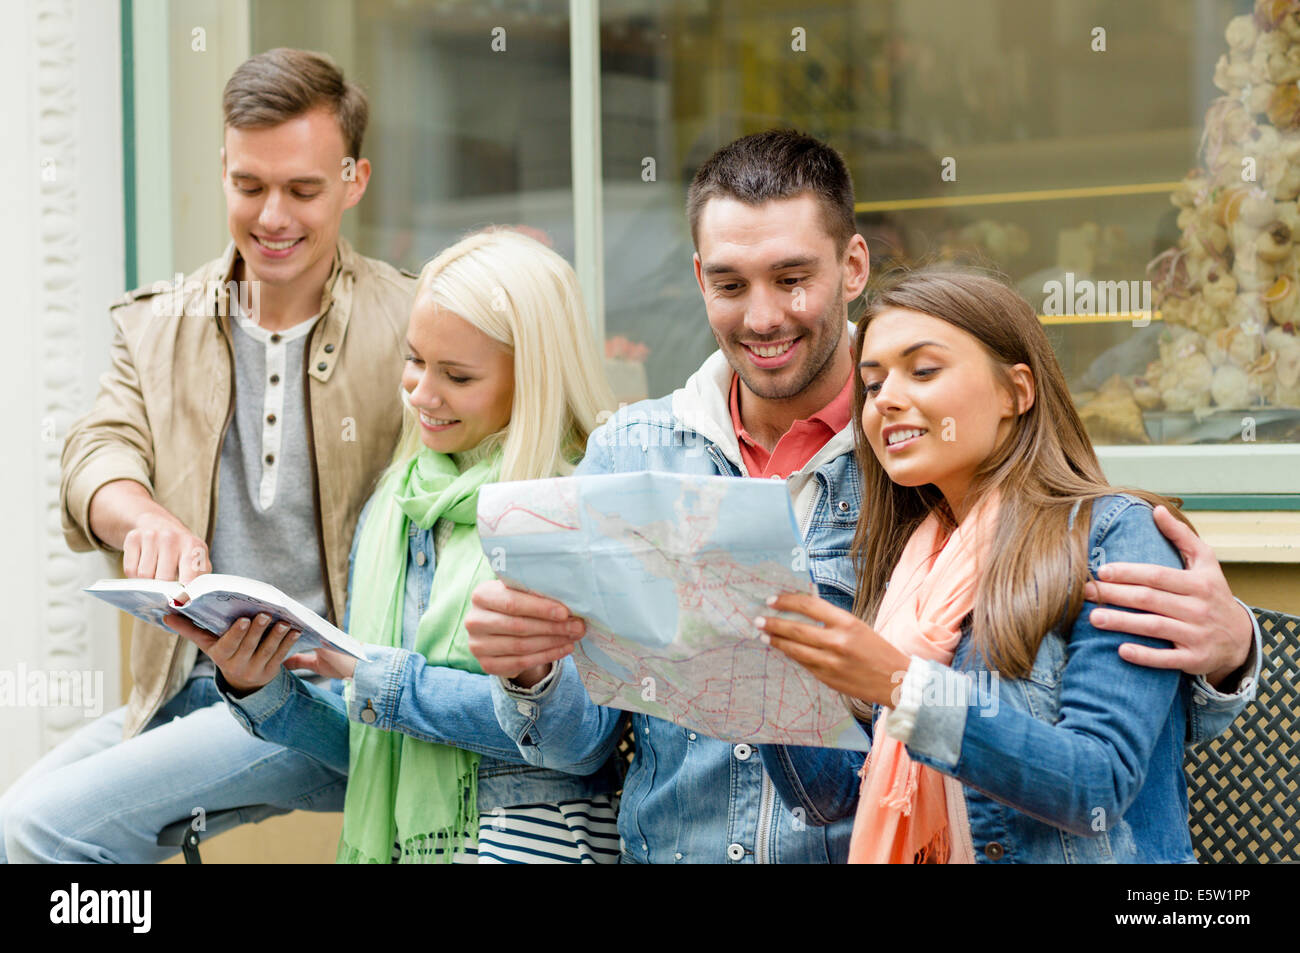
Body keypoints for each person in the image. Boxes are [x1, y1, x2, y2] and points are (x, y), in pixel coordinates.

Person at [465, 129, 1262, 864]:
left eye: (791, 278)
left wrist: (1233, 653)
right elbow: (832, 778)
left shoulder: (932, 490)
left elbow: (1105, 764)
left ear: (852, 267)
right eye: (878, 382)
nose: (764, 315)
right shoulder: (893, 521)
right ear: (700, 279)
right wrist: (542, 673)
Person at [1, 49, 416, 862]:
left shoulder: (413, 322)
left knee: (36, 832)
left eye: (303, 189)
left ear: (354, 181)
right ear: (222, 170)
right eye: (249, 185)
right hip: (179, 685)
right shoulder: (160, 323)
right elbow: (96, 449)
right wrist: (139, 510)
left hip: (325, 700)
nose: (272, 217)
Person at [166, 228, 625, 863]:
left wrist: (380, 680)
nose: (421, 393)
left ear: (535, 378)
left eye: (457, 376)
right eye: (414, 360)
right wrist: (259, 689)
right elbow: (368, 743)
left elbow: (581, 743)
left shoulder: (577, 503)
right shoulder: (399, 505)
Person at [760, 268, 1214, 862]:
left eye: (923, 370)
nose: (887, 399)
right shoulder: (909, 563)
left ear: (1016, 392)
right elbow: (838, 799)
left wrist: (902, 685)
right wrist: (759, 675)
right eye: (871, 385)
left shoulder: (1113, 536)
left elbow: (1097, 786)